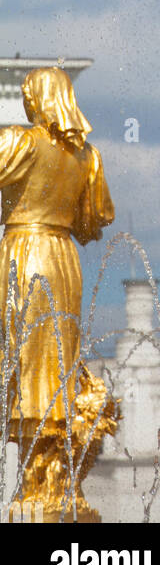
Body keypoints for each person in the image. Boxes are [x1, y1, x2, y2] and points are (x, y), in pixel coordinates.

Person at [0, 67, 114, 433]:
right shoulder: (87, 158)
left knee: (19, 341)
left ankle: (26, 422)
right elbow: (91, 224)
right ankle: (52, 431)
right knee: (55, 350)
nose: (26, 101)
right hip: (63, 257)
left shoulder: (22, 142)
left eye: (28, 94)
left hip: (23, 249)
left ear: (38, 99)